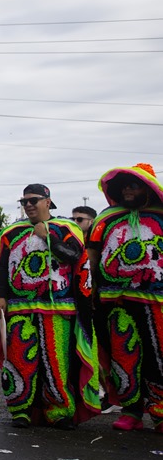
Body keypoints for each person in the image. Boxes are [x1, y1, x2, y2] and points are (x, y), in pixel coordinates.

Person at [0, 184, 99, 429]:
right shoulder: (11, 232)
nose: (28, 205)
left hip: (58, 309)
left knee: (56, 362)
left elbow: (75, 259)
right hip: (20, 307)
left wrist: (46, 236)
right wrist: (0, 296)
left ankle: (59, 411)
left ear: (48, 202)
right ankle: (21, 410)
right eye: (24, 201)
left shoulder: (66, 228)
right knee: (19, 360)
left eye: (34, 200)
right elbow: (1, 268)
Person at [87, 163, 163, 433]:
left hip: (157, 303)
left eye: (134, 185)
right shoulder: (107, 218)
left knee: (158, 357)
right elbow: (93, 256)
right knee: (123, 355)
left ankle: (160, 411)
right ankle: (132, 410)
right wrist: (91, 289)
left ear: (149, 188)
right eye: (125, 186)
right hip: (115, 301)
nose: (128, 190)